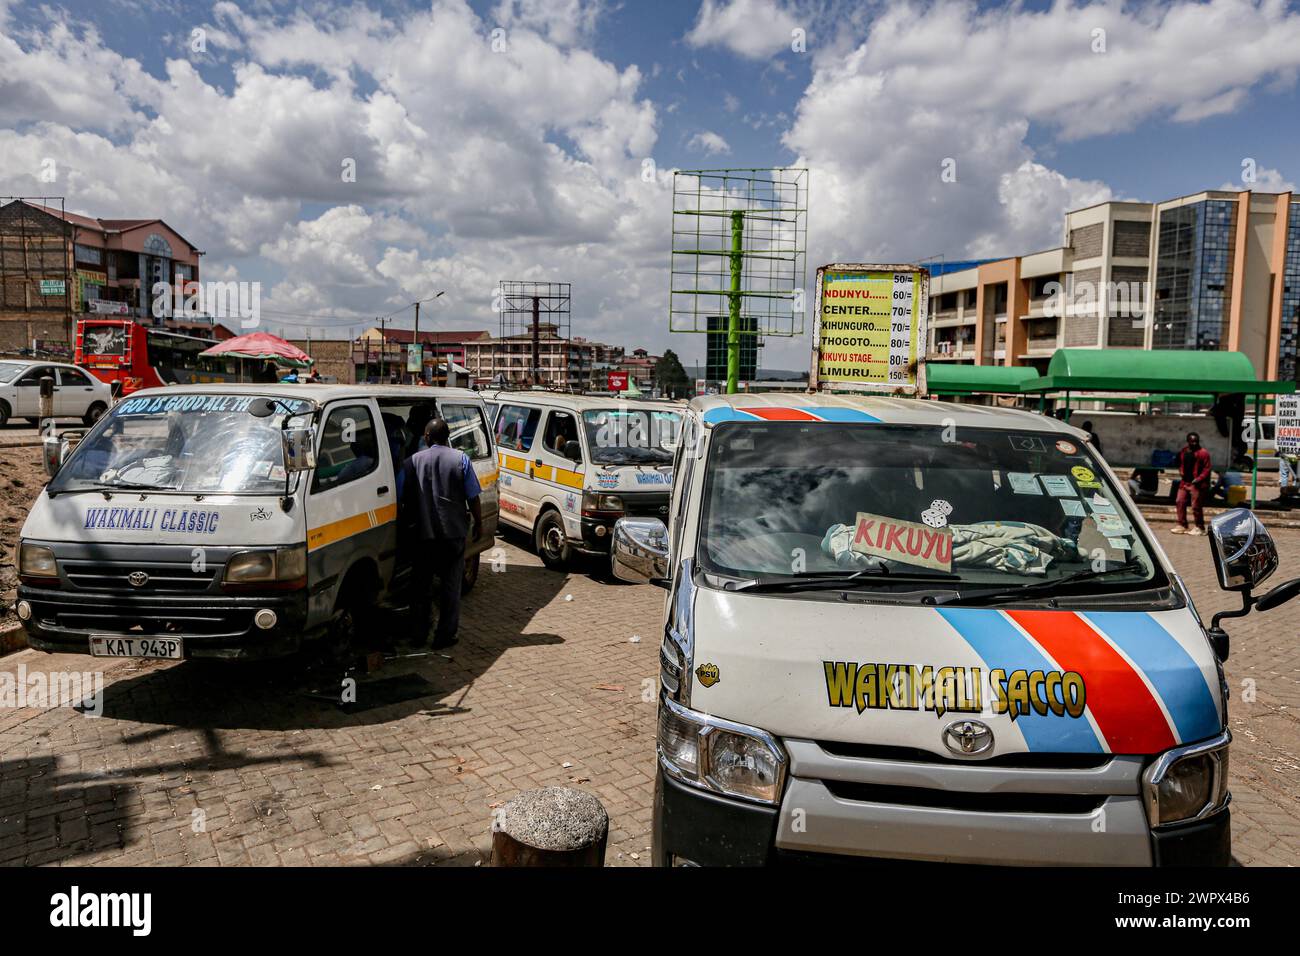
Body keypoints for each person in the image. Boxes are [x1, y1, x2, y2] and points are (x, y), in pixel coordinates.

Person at [400, 418, 483, 648]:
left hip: (424, 536)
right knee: (450, 587)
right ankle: (444, 636)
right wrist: (479, 523)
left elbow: (402, 497)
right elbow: (473, 496)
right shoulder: (461, 459)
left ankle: (419, 634)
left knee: (421, 588)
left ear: (426, 437)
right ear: (447, 437)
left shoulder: (412, 462)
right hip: (453, 535)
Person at [1172, 431, 1212, 535]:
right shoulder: (1184, 451)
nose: (1194, 443)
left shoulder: (1203, 453)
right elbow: (1180, 463)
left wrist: (1199, 479)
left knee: (1196, 506)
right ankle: (1182, 525)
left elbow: (1207, 469)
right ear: (1188, 441)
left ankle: (1200, 527)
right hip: (1185, 482)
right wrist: (1181, 471)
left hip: (1196, 484)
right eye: (1192, 442)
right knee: (1179, 501)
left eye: (1196, 441)